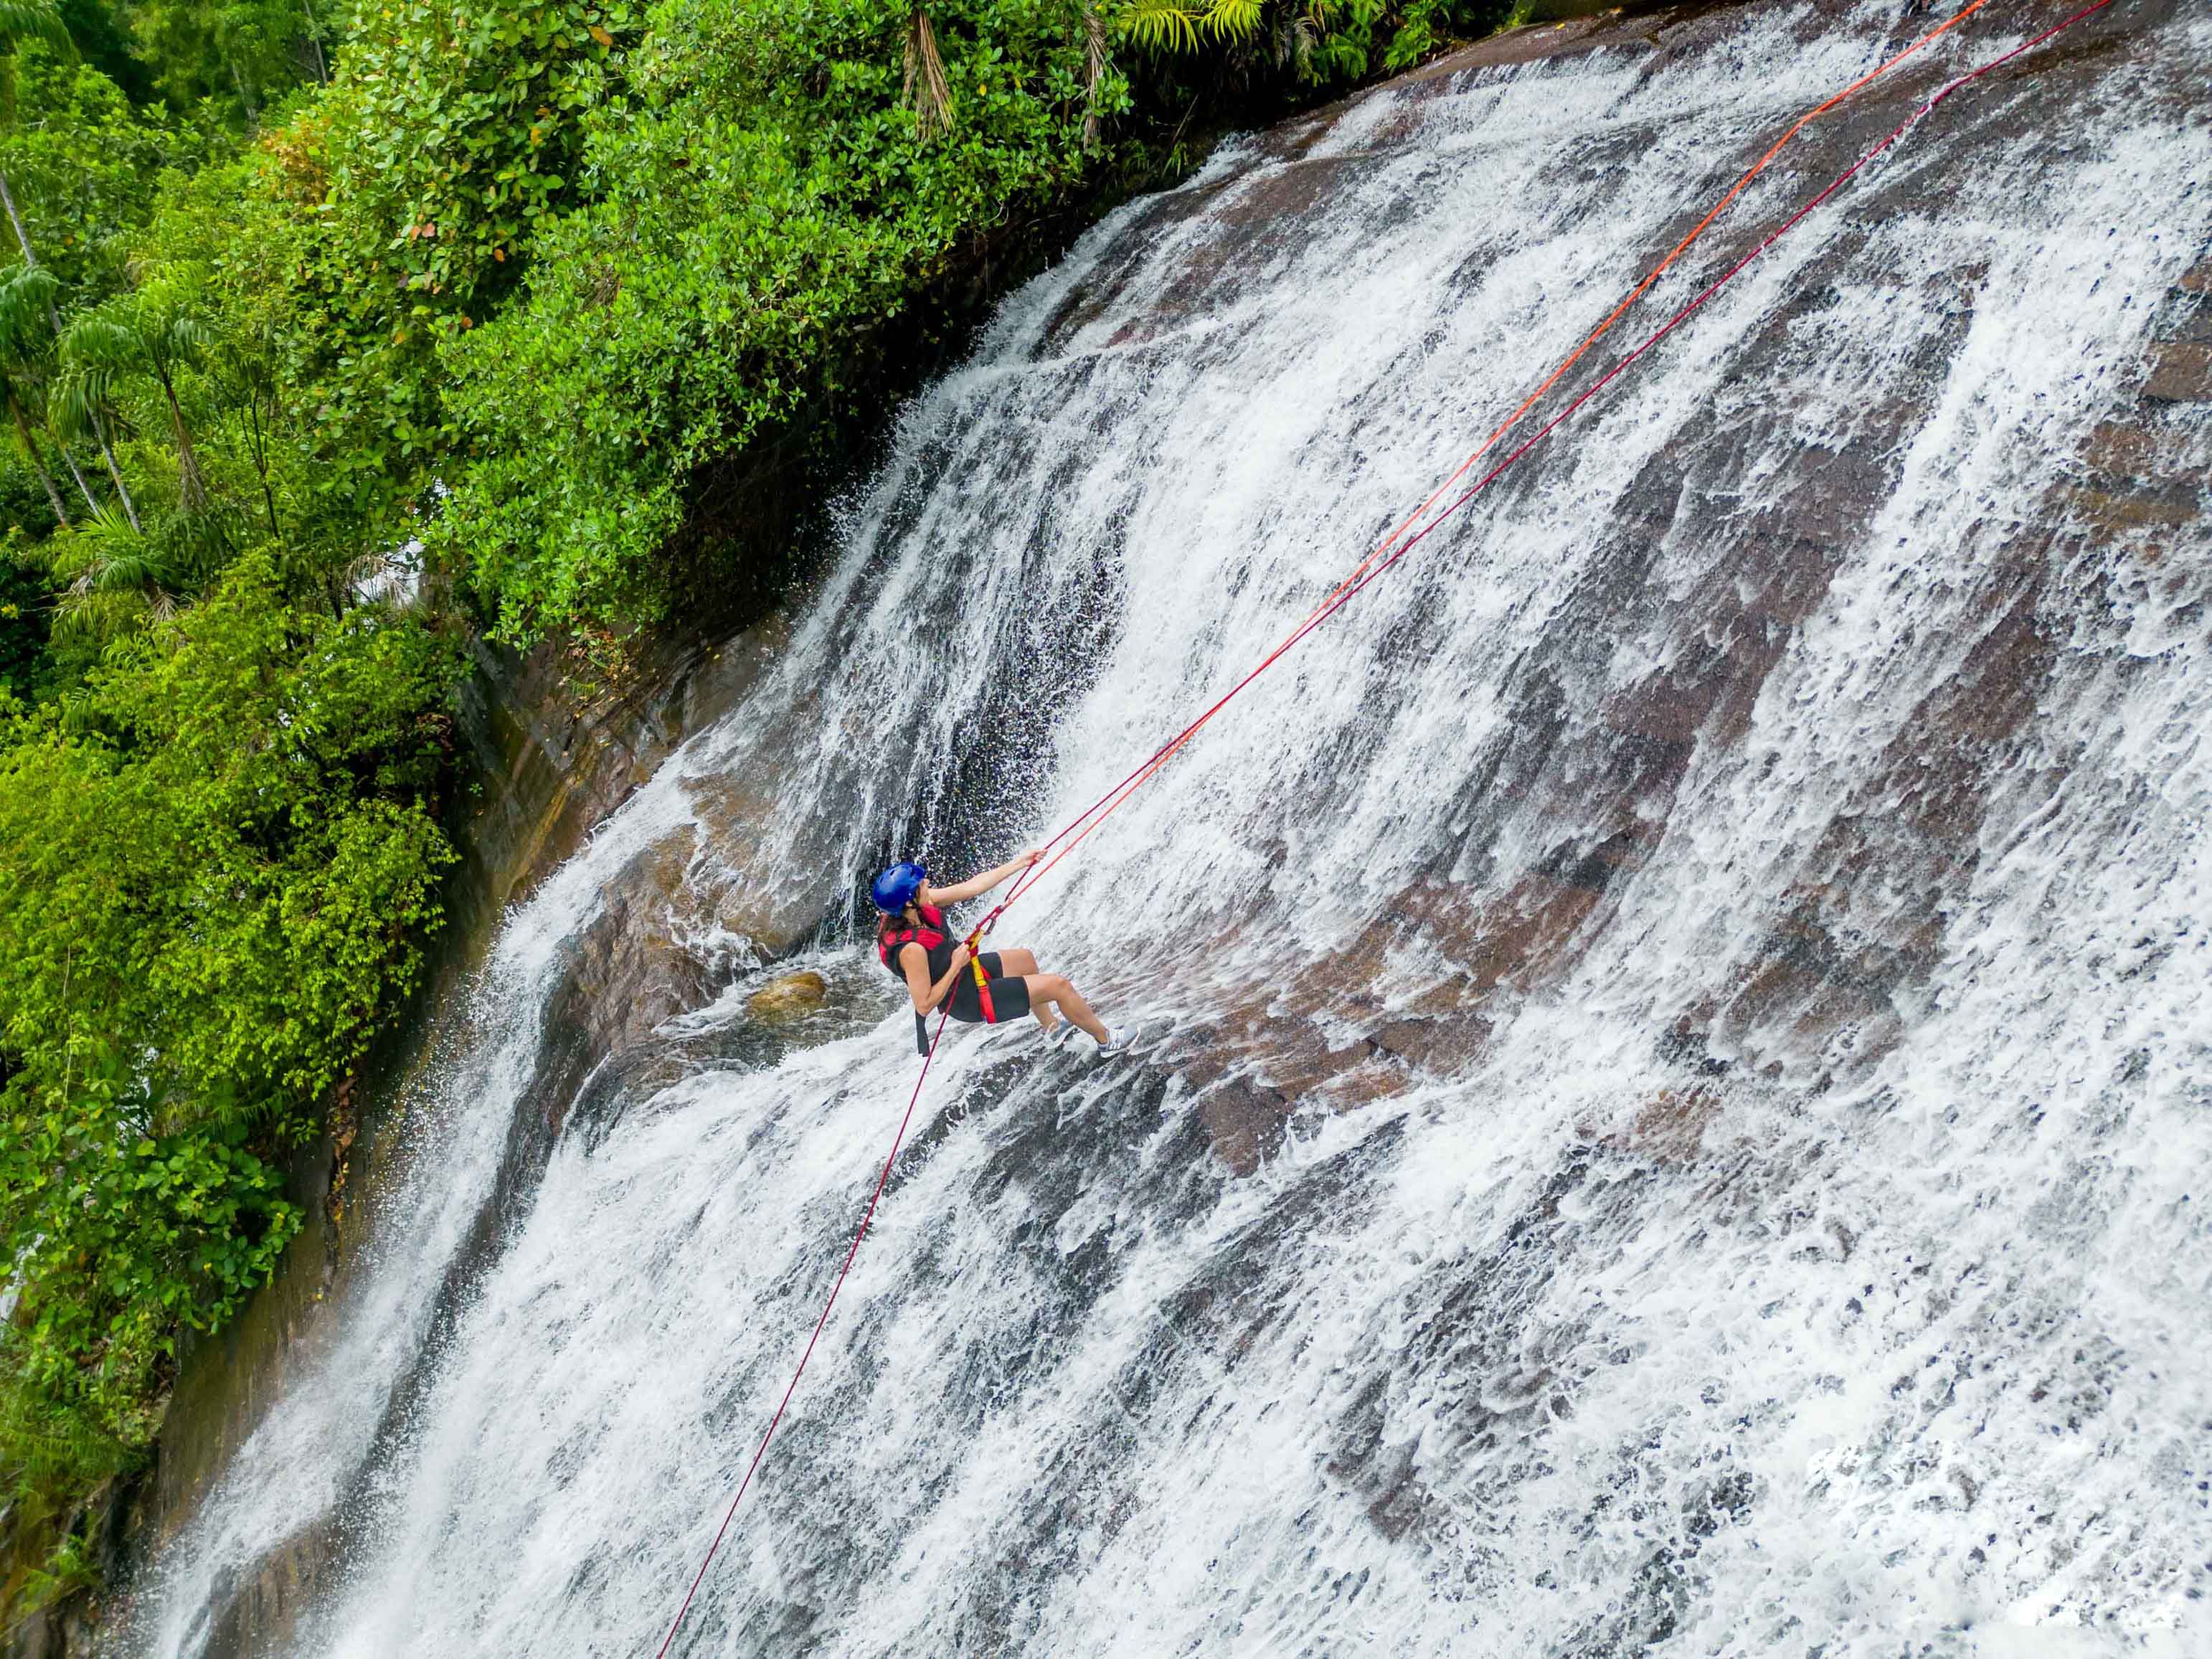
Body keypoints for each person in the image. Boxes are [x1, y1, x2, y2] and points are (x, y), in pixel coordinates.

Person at [871, 854, 1126, 1055]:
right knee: (1059, 986)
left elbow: (972, 887)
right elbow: (924, 1005)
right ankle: (1106, 1041)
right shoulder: (912, 950)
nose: (926, 883)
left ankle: (1053, 1028)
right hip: (965, 998)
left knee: (1025, 959)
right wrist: (955, 964)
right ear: (908, 902)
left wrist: (1019, 864)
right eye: (920, 884)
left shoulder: (916, 906)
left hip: (967, 972)